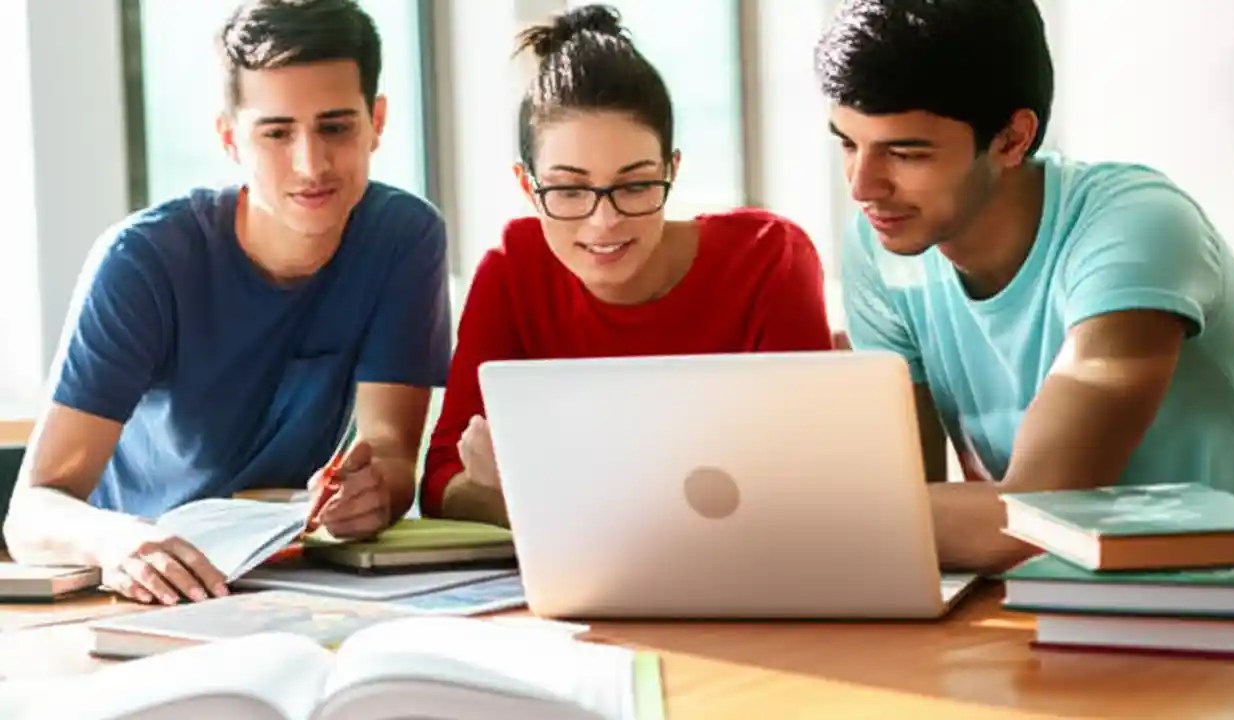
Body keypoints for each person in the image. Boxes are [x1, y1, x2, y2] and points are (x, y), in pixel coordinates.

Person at [2, 0, 451, 605]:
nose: (310, 163)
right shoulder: (144, 261)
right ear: (229, 138)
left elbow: (393, 453)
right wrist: (118, 545)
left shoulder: (404, 238)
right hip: (139, 589)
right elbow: (30, 512)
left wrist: (372, 494)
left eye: (336, 126)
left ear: (377, 121)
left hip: (286, 585)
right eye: (276, 132)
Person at [815, 0, 1234, 572]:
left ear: (1013, 139)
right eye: (847, 144)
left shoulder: (1136, 226)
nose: (863, 186)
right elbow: (913, 506)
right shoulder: (878, 251)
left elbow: (1040, 513)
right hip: (1044, 607)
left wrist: (798, 515)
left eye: (906, 153)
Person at [422, 5, 833, 525]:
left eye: (636, 185)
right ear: (529, 187)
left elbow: (812, 477)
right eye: (569, 190)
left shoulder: (770, 259)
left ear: (672, 170)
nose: (604, 222)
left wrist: (545, 496)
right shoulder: (512, 270)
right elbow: (440, 480)